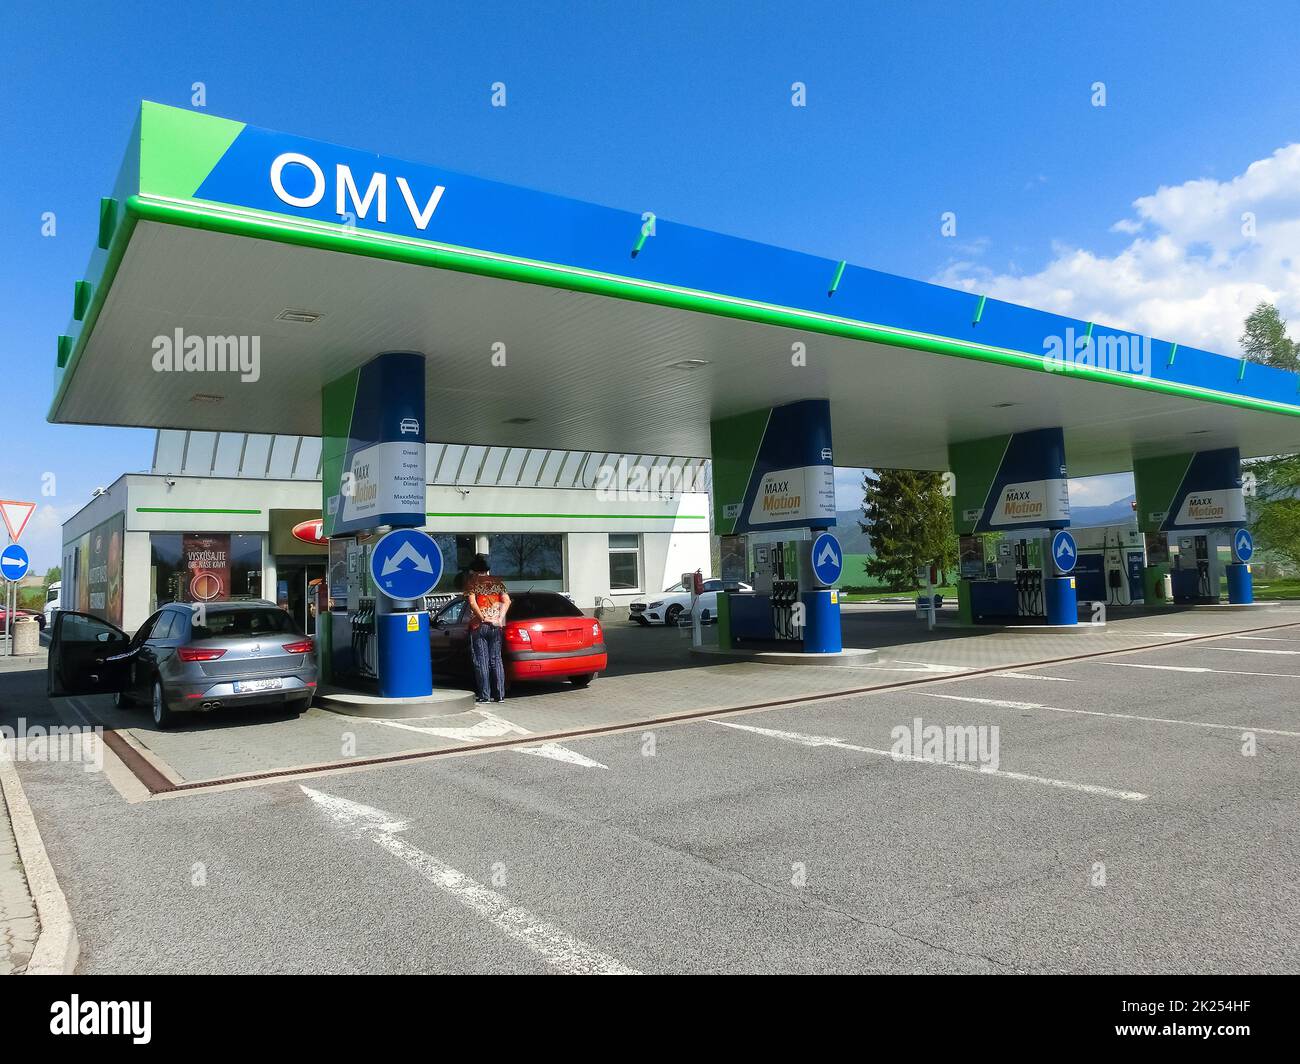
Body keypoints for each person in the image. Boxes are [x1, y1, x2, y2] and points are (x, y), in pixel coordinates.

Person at [464, 554, 510, 704]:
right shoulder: (498, 582)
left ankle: (485, 695)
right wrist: (500, 618)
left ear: (474, 570)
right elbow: (507, 601)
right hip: (496, 625)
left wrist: (482, 617)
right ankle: (500, 695)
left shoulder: (472, 583)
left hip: (479, 626)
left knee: (482, 660)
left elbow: (472, 603)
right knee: (496, 660)